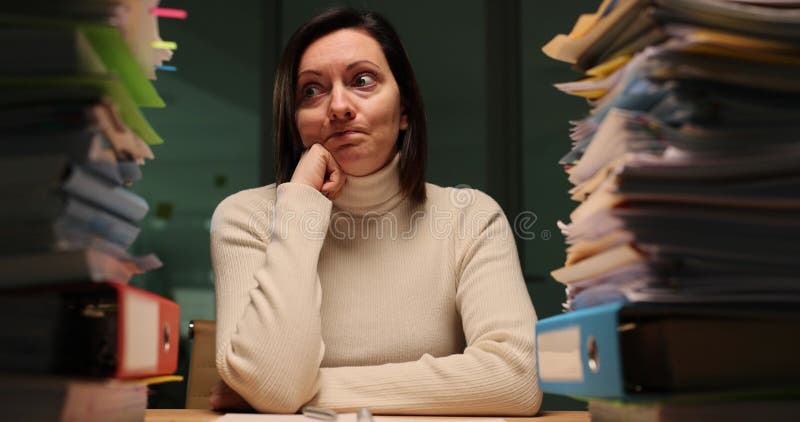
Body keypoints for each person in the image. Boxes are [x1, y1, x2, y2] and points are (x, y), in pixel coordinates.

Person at [210, 7, 542, 415]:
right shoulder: (245, 217)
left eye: (362, 81)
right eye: (311, 90)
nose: (338, 106)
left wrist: (301, 392)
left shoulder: (469, 217)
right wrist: (298, 206)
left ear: (404, 111)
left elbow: (518, 377)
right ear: (295, 122)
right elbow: (274, 385)